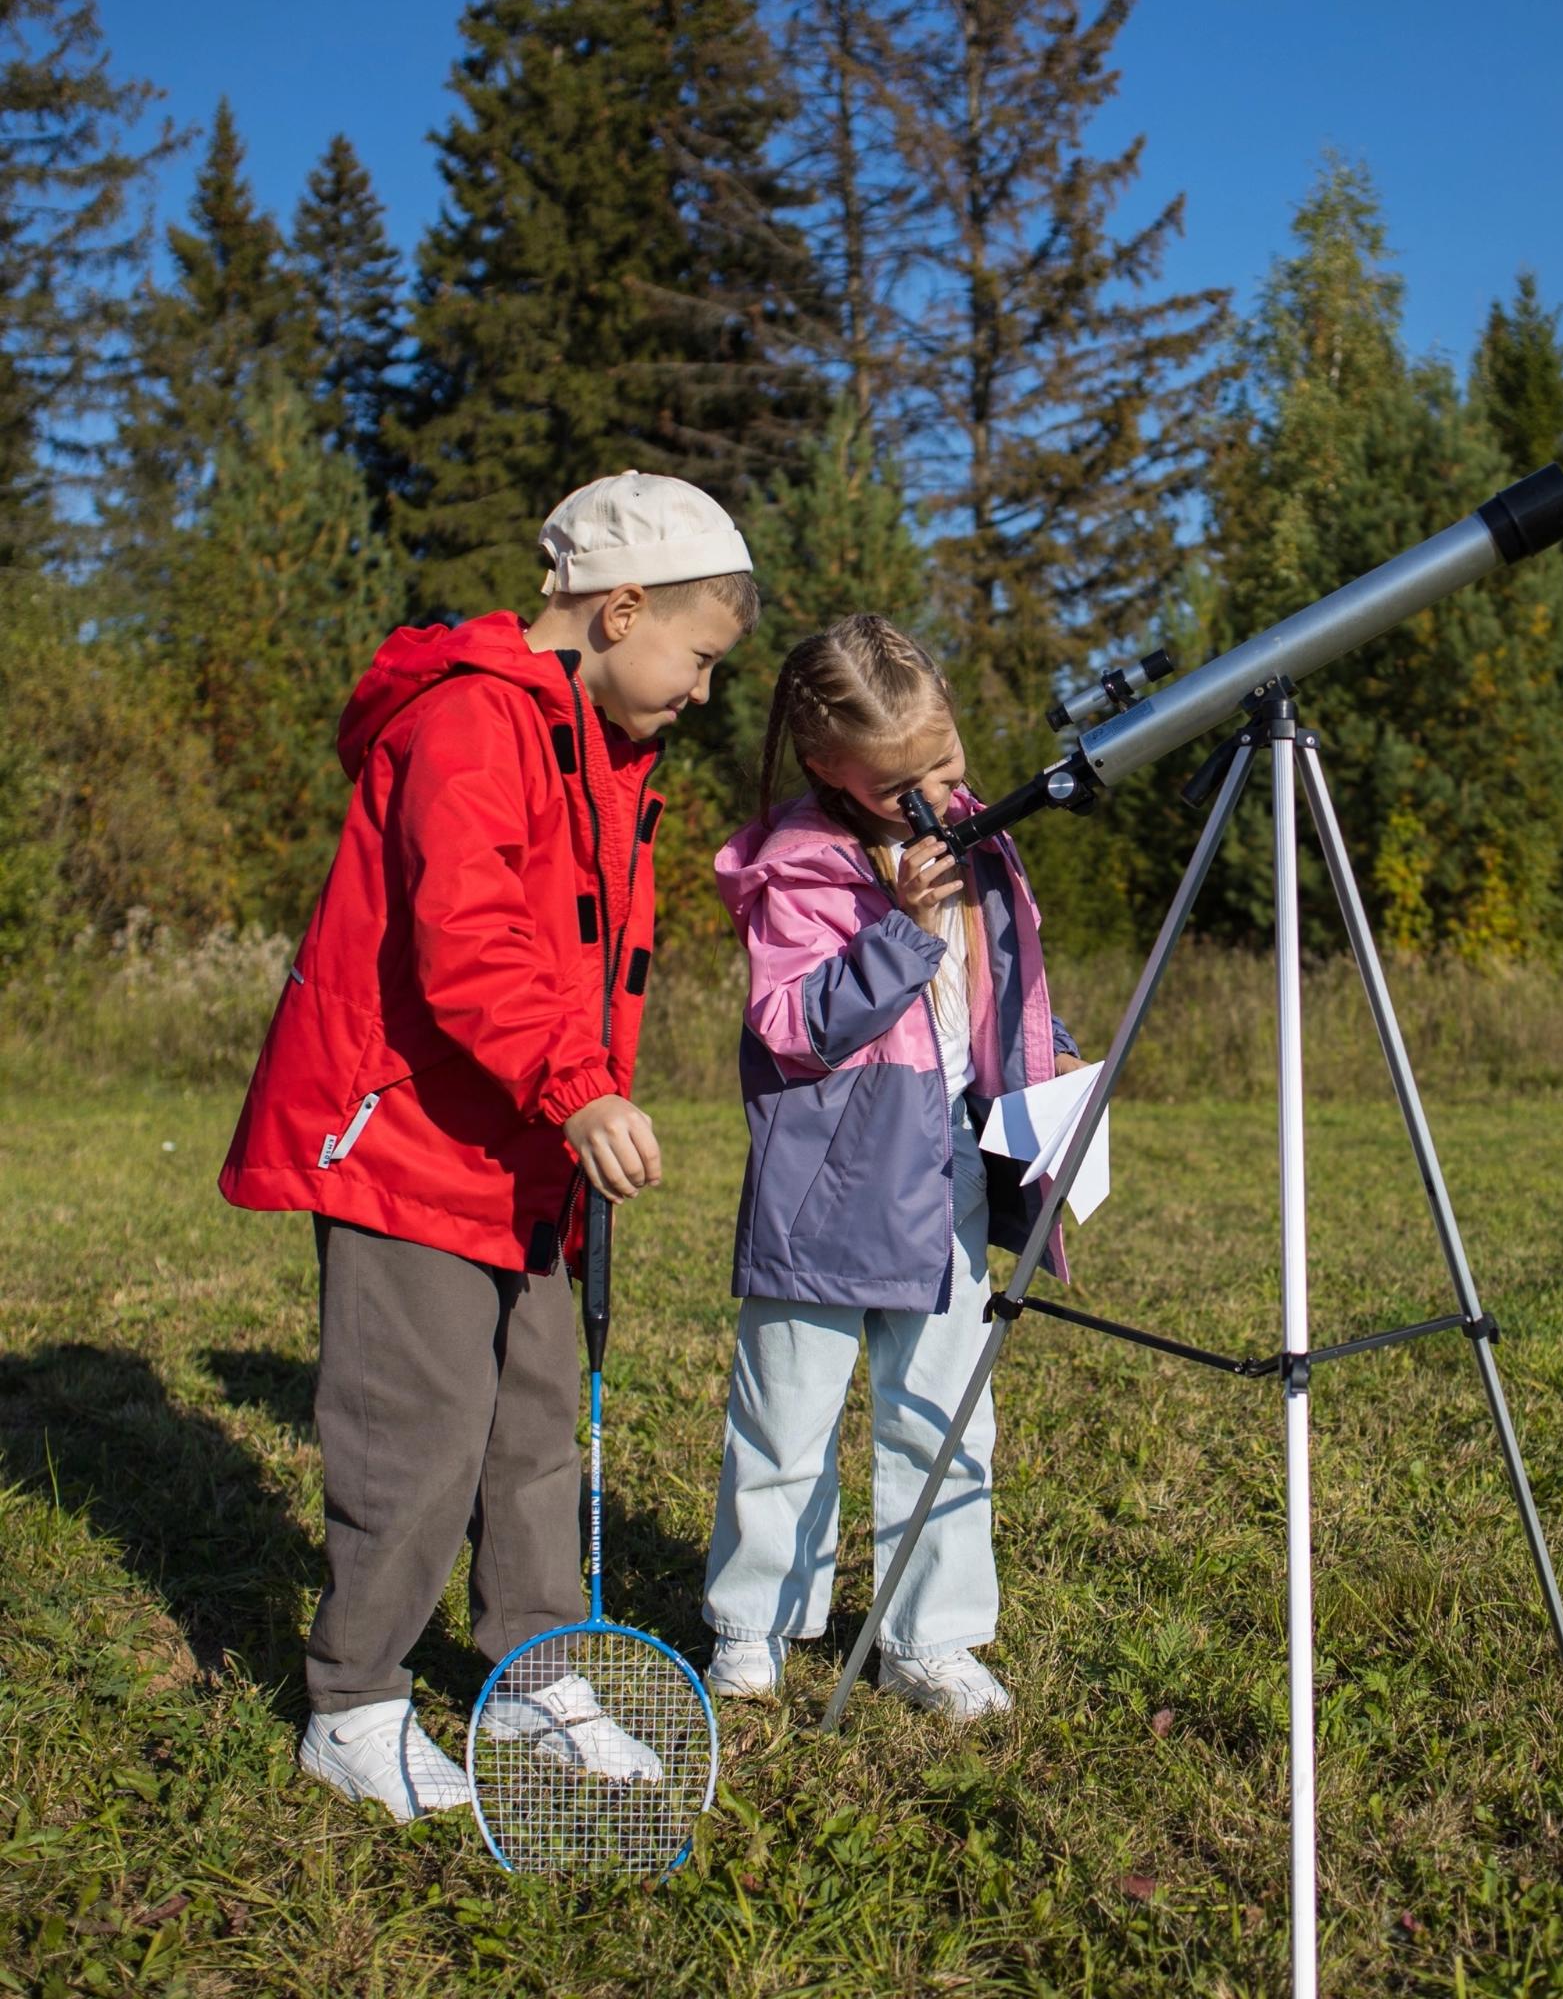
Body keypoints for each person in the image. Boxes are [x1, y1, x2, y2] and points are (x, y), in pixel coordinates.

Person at [218, 472, 757, 1819]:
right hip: (411, 1141)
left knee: (529, 1428)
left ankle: (531, 1671)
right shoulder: (471, 721)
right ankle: (355, 1703)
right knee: (421, 1430)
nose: (698, 693)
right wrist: (576, 1086)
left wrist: (570, 1106)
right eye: (695, 658)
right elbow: (470, 943)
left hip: (519, 1154)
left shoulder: (598, 750)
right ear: (621, 608)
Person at [703, 613, 1084, 1718]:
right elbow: (789, 1021)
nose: (932, 796)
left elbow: (1004, 975)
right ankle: (755, 1623)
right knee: (784, 1417)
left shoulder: (983, 837)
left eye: (947, 766)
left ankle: (934, 1636)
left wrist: (1048, 1051)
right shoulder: (797, 864)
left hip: (946, 1162)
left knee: (946, 1411)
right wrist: (900, 932)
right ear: (828, 767)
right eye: (899, 782)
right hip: (824, 1182)